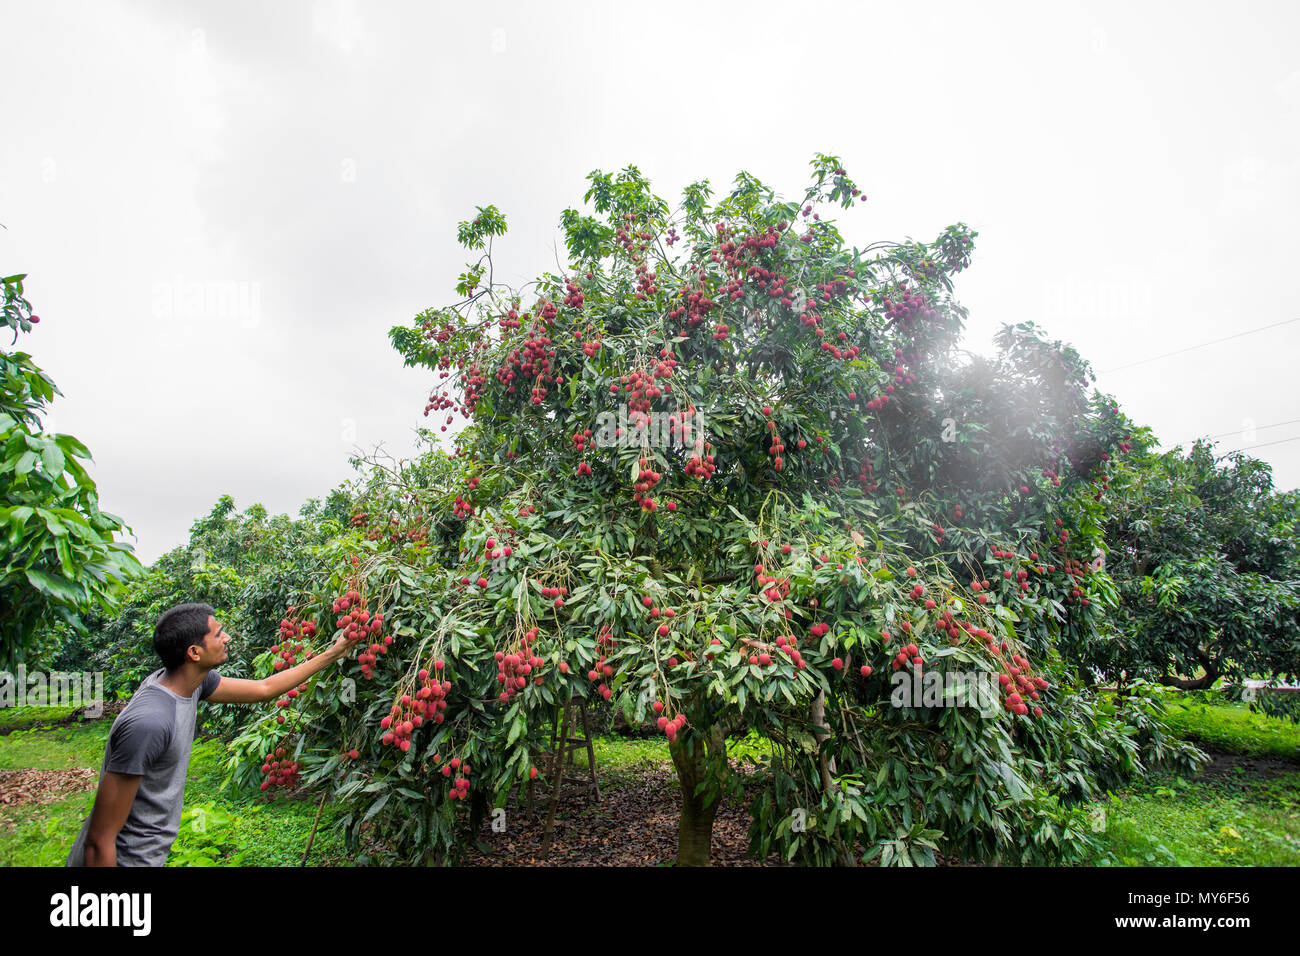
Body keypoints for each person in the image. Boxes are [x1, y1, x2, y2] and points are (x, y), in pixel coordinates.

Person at [66, 602, 351, 867]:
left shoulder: (190, 684)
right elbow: (98, 841)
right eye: (219, 634)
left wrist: (333, 653)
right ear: (194, 652)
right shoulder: (149, 722)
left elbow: (265, 689)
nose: (226, 638)